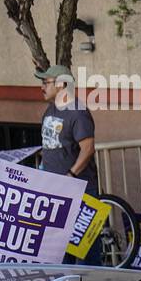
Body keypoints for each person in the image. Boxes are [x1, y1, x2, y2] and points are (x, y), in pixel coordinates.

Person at [35, 64, 103, 265]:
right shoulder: (51, 109)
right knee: (60, 247)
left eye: (45, 82)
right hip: (56, 189)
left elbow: (88, 148)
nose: (41, 87)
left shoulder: (77, 112)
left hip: (80, 189)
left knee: (86, 249)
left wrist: (71, 175)